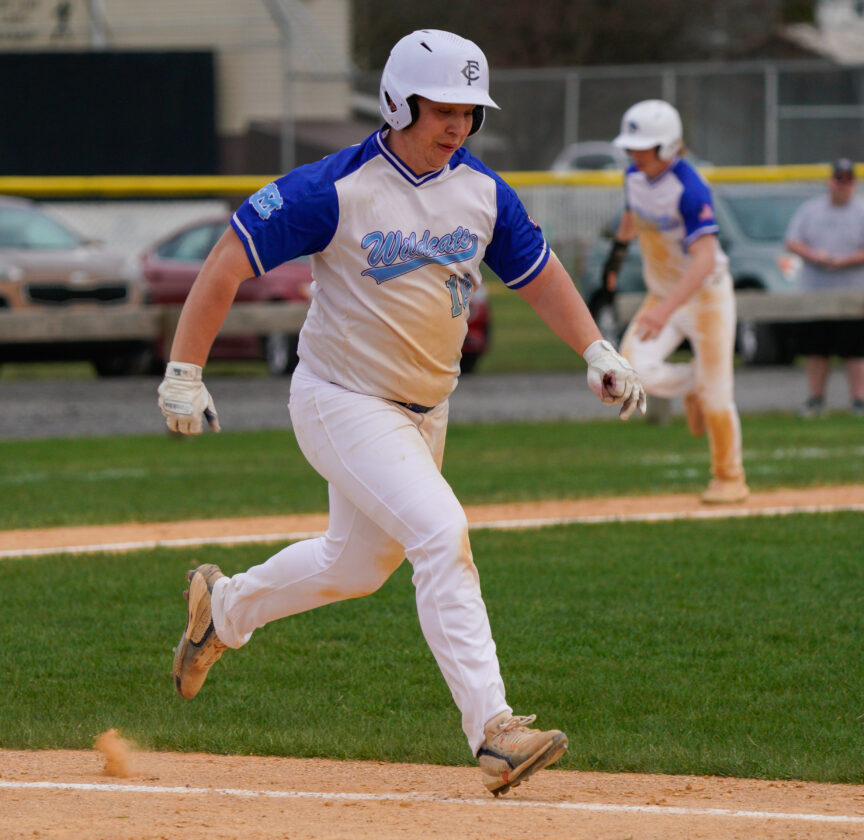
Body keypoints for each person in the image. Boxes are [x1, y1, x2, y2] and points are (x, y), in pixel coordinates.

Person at [157, 29, 646, 797]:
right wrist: (185, 369)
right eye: (440, 108)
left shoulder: (481, 191)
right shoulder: (334, 187)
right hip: (340, 399)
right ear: (397, 101)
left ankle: (222, 608)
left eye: (469, 111)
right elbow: (229, 255)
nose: (456, 125)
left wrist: (596, 349)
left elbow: (539, 273)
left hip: (425, 411)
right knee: (441, 532)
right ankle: (494, 731)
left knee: (353, 567)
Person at [604, 99, 748, 504]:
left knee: (719, 396)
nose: (634, 154)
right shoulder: (634, 177)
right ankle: (692, 387)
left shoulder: (690, 186)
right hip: (664, 294)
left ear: (667, 147)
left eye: (643, 147)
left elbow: (704, 258)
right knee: (632, 373)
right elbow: (632, 218)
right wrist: (614, 261)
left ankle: (730, 479)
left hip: (707, 298)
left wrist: (665, 310)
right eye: (631, 147)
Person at [784, 158, 864, 418]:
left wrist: (844, 261)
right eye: (838, 179)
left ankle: (859, 401)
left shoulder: (861, 209)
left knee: (855, 350)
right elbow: (792, 241)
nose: (842, 184)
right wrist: (817, 256)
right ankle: (816, 400)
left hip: (853, 292)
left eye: (847, 180)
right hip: (816, 290)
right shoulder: (811, 210)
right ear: (830, 181)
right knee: (817, 349)